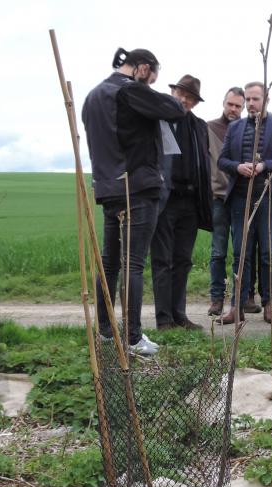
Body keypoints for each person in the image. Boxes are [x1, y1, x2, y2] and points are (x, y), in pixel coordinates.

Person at [82, 47, 185, 356]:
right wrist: (147, 90)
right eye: (152, 78)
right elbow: (175, 108)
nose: (150, 85)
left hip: (108, 187)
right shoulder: (129, 91)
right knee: (134, 263)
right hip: (137, 187)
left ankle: (104, 331)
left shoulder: (92, 96)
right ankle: (133, 337)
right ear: (142, 68)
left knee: (110, 263)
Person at [216, 81, 272, 325]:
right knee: (240, 253)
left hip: (269, 198)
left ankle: (270, 305)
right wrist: (237, 167)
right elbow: (222, 161)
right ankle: (236, 307)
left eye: (255, 99)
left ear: (266, 100)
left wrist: (266, 166)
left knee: (268, 253)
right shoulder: (235, 128)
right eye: (248, 100)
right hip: (241, 198)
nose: (250, 104)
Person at [151, 74, 212, 331]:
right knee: (162, 260)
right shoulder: (157, 120)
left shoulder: (198, 126)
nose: (185, 100)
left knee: (183, 260)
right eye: (182, 94)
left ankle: (180, 315)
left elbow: (205, 164)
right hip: (164, 200)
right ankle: (164, 319)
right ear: (173, 93)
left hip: (190, 201)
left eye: (190, 98)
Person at [207, 87, 244, 317]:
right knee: (218, 252)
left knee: (242, 252)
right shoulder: (209, 128)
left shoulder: (247, 129)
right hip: (218, 197)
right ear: (223, 103)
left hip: (240, 198)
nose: (233, 109)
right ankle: (216, 299)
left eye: (238, 106)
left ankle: (241, 299)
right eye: (230, 104)